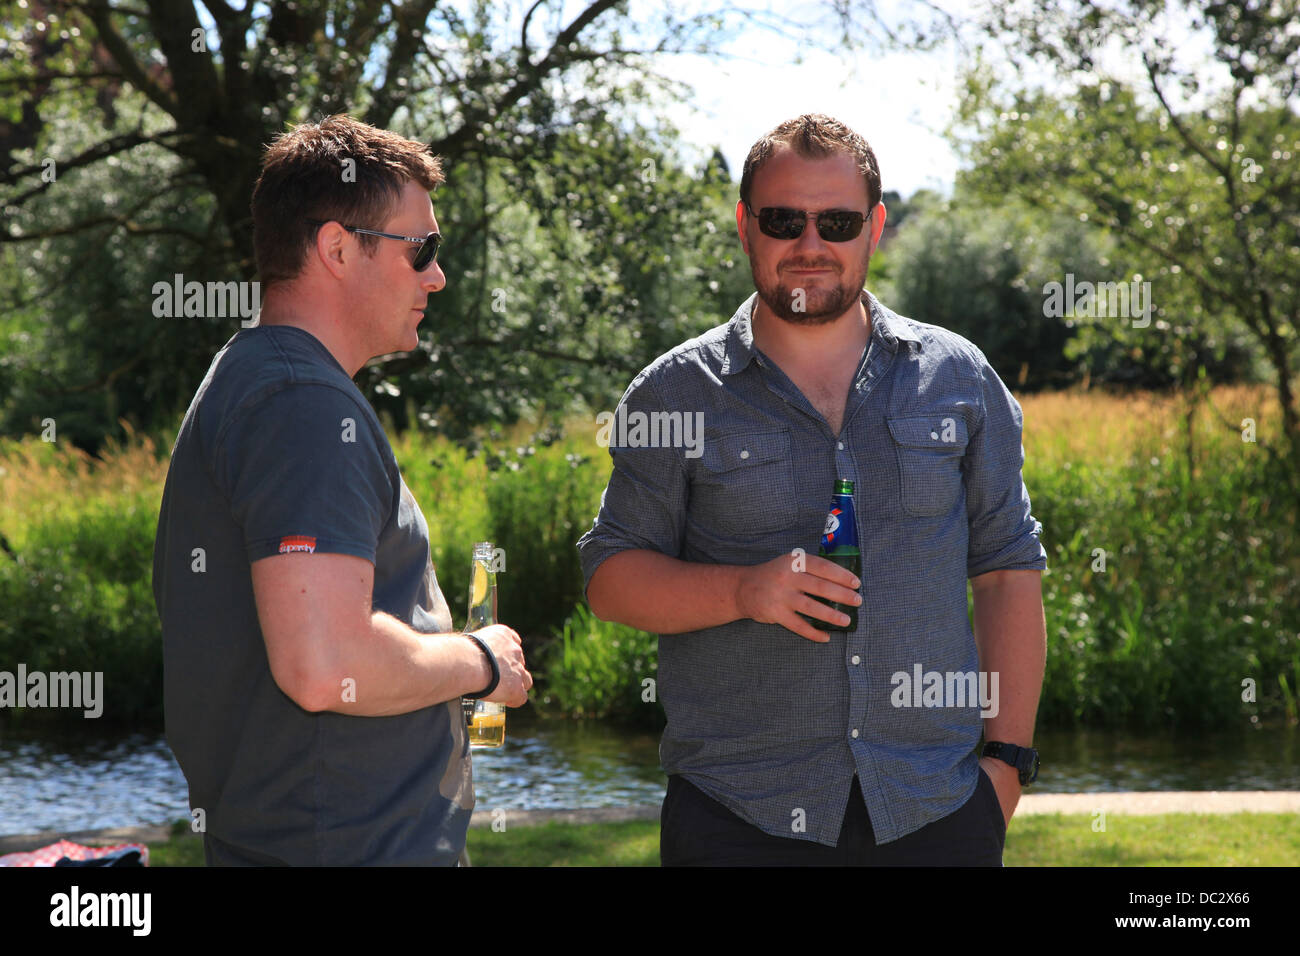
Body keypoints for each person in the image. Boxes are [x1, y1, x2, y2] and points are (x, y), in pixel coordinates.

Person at [577, 114, 1047, 866]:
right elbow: (610, 578)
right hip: (735, 816)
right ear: (744, 226)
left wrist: (1006, 767)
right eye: (783, 219)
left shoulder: (961, 379)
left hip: (938, 807)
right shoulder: (672, 394)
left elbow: (1006, 571)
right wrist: (745, 593)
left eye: (836, 220)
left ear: (876, 227)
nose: (810, 245)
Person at [152, 114, 531, 866]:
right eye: (420, 249)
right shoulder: (302, 404)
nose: (437, 275)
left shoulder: (265, 378)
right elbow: (326, 664)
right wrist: (481, 661)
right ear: (335, 249)